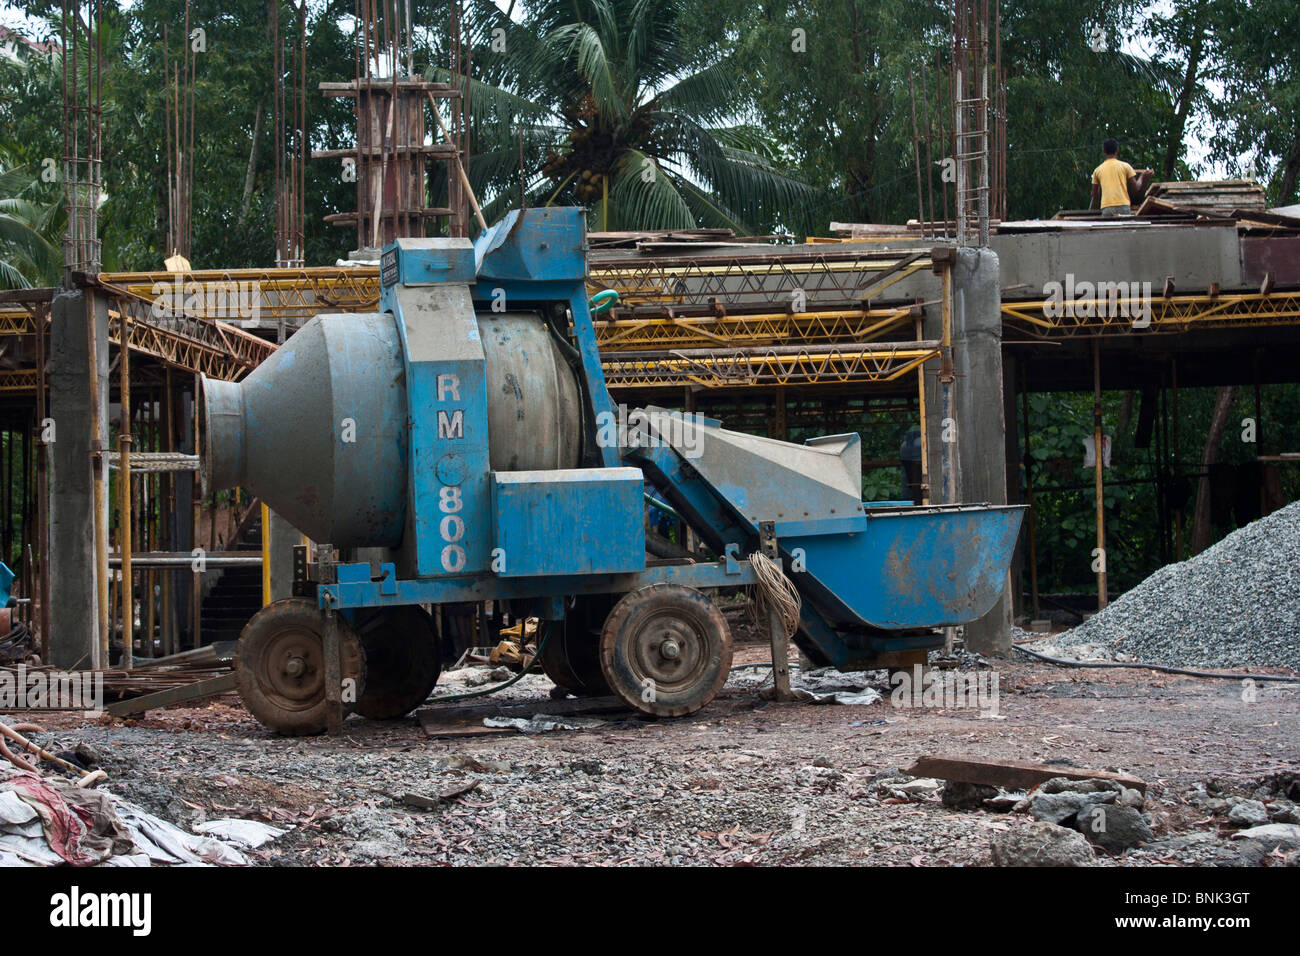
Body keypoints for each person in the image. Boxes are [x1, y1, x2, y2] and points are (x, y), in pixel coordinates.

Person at [1090, 138, 1153, 217]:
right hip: (1123, 206)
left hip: (1107, 207)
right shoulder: (1125, 166)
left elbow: (1094, 194)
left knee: (1108, 229)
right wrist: (1142, 176)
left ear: (1104, 151)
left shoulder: (1097, 170)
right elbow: (1136, 188)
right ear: (1117, 150)